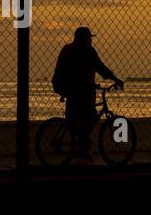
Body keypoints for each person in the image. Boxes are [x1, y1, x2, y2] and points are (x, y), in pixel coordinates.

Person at [51, 26, 123, 163]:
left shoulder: (66, 49)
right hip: (80, 88)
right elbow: (101, 68)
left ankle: (79, 144)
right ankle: (82, 142)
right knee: (90, 117)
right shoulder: (88, 50)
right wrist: (116, 79)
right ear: (85, 38)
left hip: (64, 86)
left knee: (73, 115)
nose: (91, 40)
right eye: (90, 38)